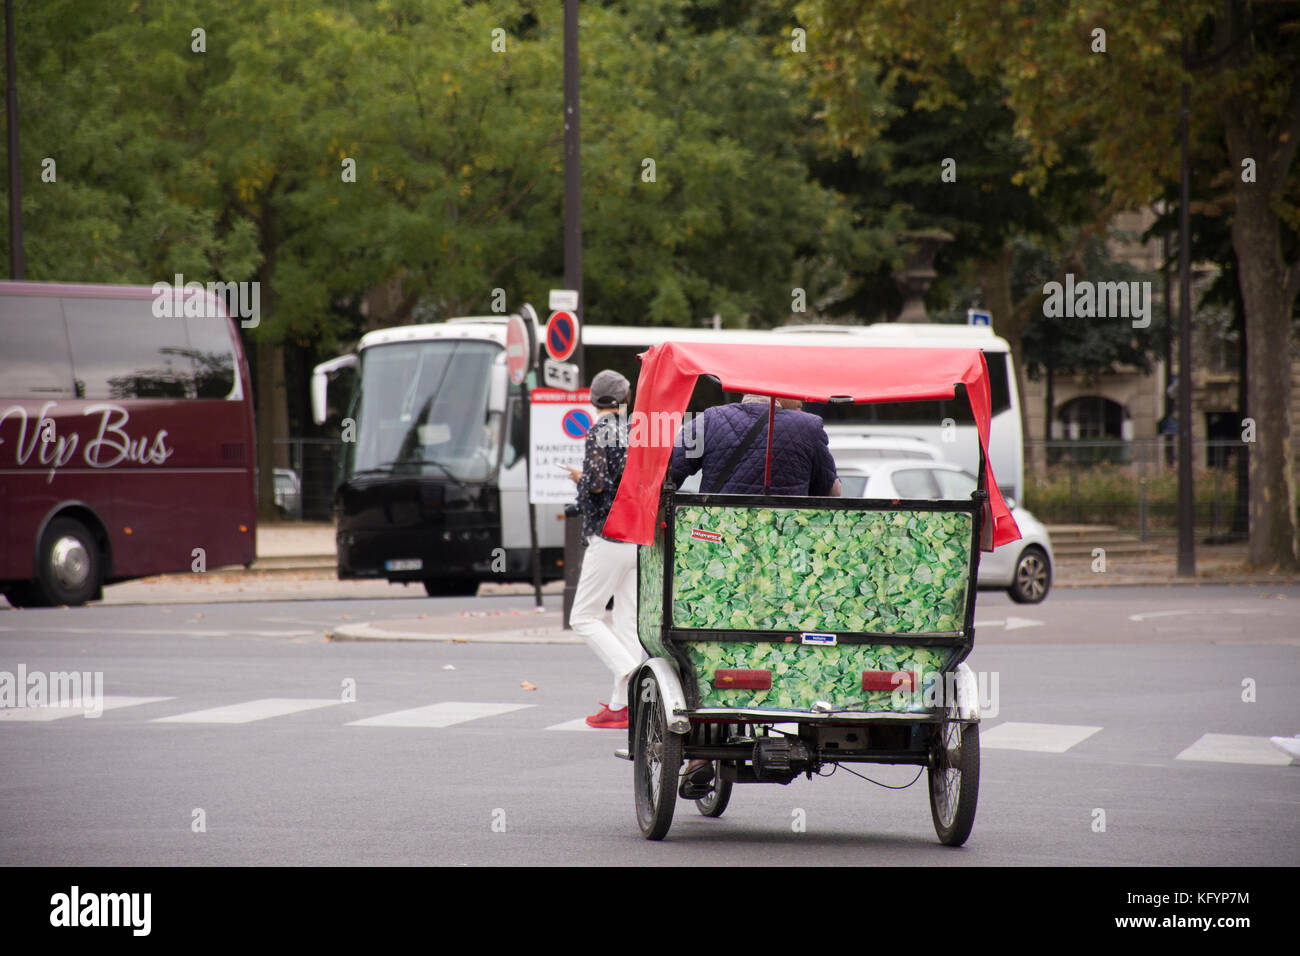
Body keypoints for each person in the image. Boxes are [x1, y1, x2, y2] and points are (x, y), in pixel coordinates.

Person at [669, 393, 841, 797]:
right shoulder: (809, 427)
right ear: (790, 396)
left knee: (710, 639)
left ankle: (699, 754)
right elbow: (831, 496)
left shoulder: (709, 418)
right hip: (787, 565)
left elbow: (668, 471)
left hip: (719, 555)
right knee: (787, 634)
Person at [565, 369, 645, 729]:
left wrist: (580, 484)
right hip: (637, 536)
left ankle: (629, 671)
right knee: (627, 622)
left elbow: (597, 485)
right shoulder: (634, 430)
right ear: (625, 399)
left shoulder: (600, 431)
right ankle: (623, 706)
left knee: (583, 616)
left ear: (594, 399)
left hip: (609, 536)